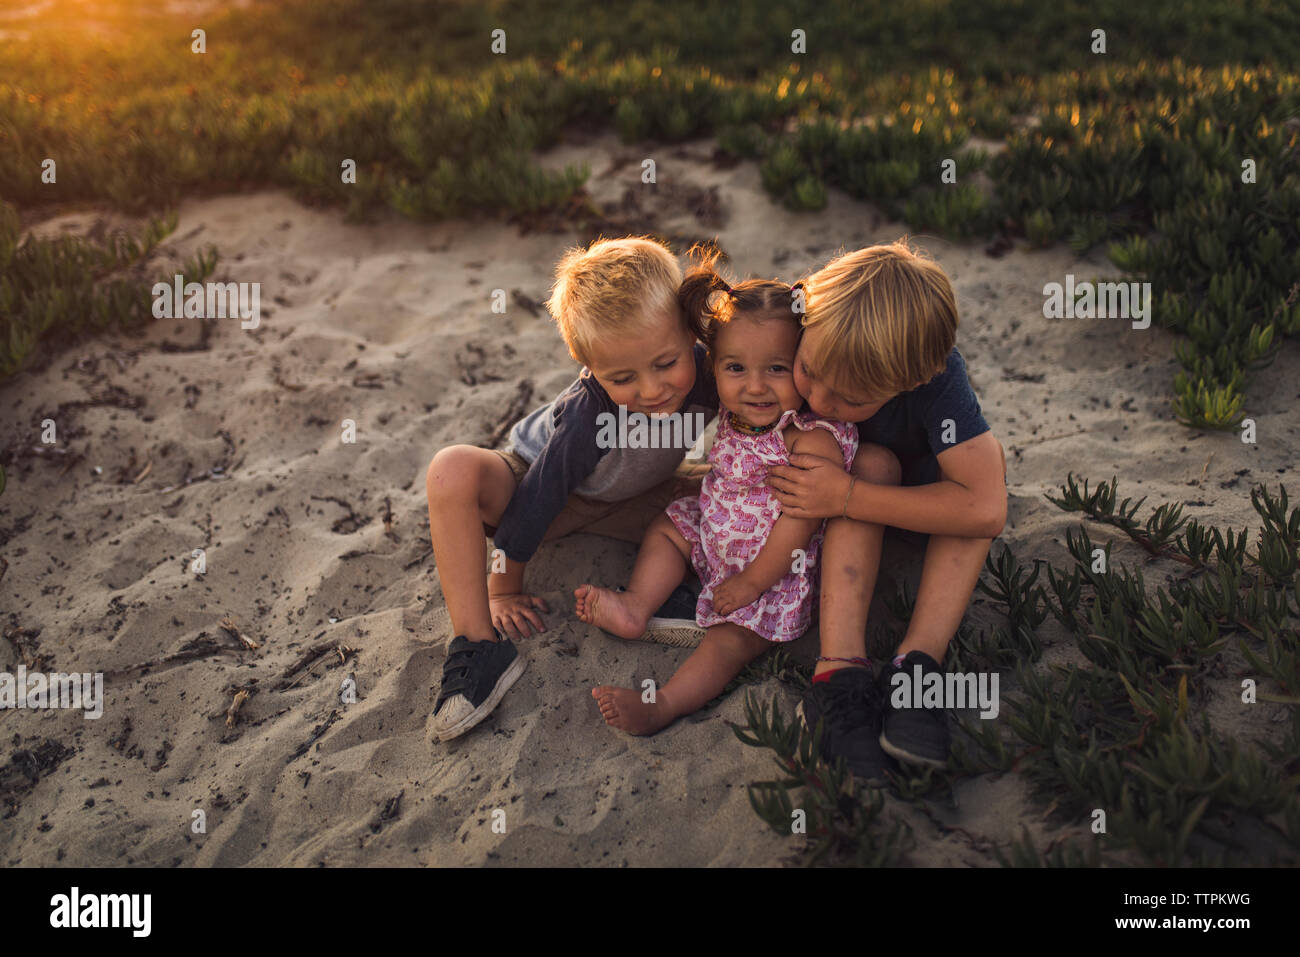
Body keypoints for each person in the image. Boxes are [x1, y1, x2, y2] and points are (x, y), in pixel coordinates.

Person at [425, 235, 716, 741]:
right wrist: (504, 588)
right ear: (591, 367)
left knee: (730, 491)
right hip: (529, 485)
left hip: (636, 497)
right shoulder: (590, 414)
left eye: (666, 364)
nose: (652, 390)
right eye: (623, 377)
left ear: (690, 328)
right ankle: (479, 645)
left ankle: (668, 599)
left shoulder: (710, 371)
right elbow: (538, 500)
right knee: (452, 469)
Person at [575, 249, 857, 735]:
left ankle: (663, 705)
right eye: (736, 369)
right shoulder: (734, 412)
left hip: (769, 574)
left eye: (776, 368)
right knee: (669, 525)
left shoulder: (807, 435)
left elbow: (802, 518)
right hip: (711, 538)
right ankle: (636, 605)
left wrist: (751, 583)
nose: (755, 387)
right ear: (715, 366)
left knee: (726, 644)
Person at [766, 240, 1007, 782]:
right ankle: (839, 674)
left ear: (914, 379)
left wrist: (847, 497)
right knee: (872, 461)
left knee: (980, 473)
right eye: (809, 372)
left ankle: (918, 665)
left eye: (851, 399)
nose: (822, 400)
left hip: (905, 508)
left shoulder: (938, 377)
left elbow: (988, 510)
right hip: (809, 505)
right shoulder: (797, 318)